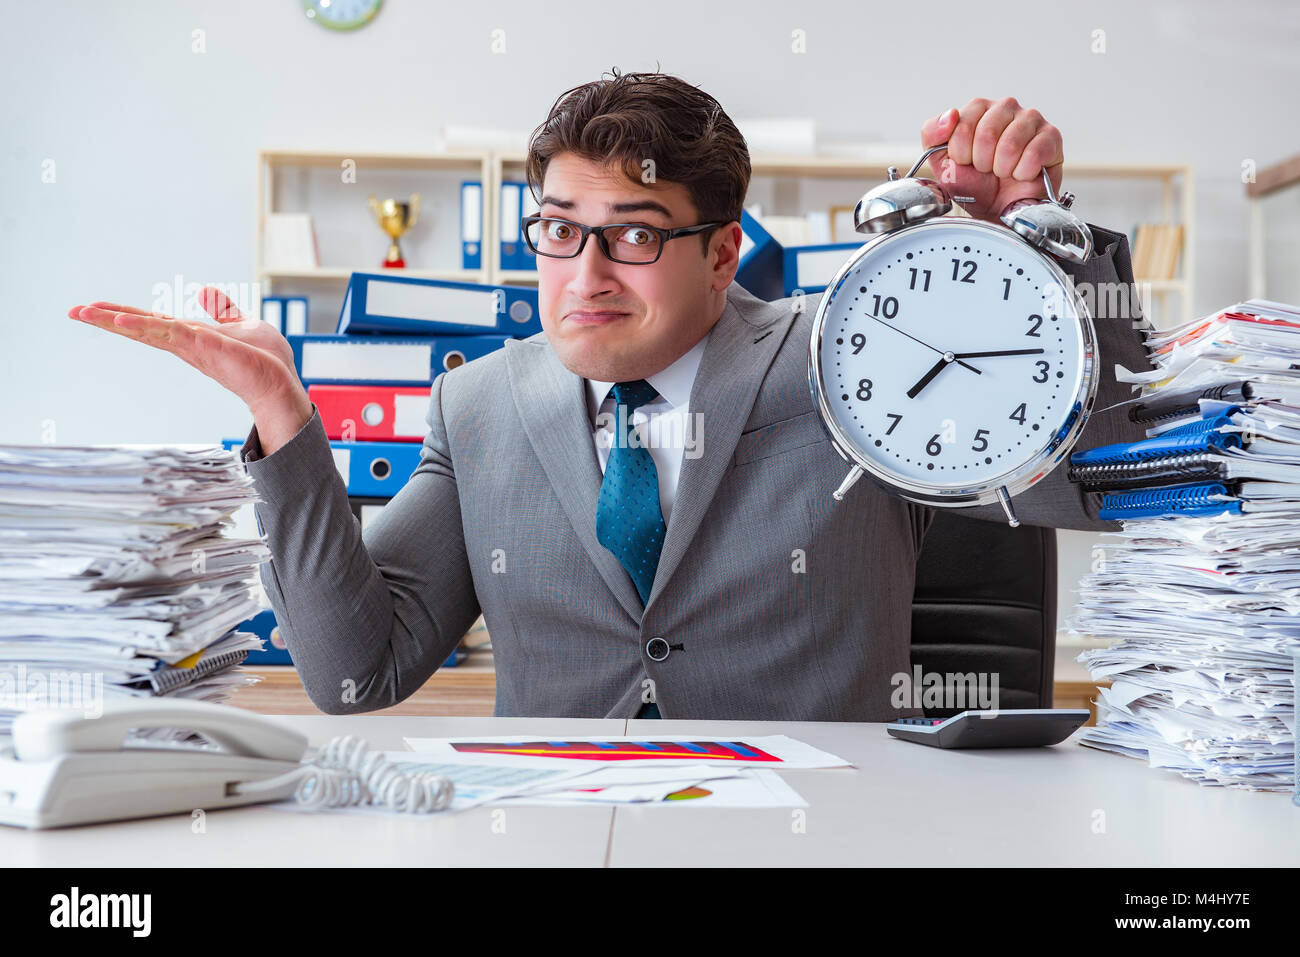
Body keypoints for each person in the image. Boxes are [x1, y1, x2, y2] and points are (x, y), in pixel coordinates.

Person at [68, 70, 1155, 721]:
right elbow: (360, 676)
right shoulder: (477, 405)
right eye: (557, 231)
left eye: (634, 234)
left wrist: (1035, 256)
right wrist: (286, 422)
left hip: (828, 841)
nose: (583, 276)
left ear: (723, 250)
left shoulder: (847, 360)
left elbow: (1097, 483)